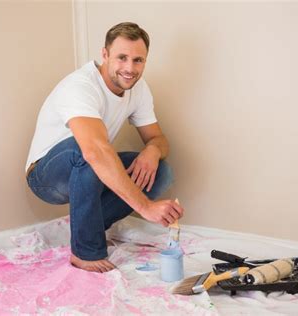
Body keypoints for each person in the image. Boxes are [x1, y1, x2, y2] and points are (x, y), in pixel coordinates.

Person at [25, 22, 184, 273]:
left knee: (161, 171)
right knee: (89, 150)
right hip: (46, 176)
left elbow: (159, 139)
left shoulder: (139, 89)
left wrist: (151, 152)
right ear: (105, 55)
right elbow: (94, 151)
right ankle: (85, 251)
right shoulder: (81, 86)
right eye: (122, 57)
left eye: (138, 60)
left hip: (88, 164)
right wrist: (146, 207)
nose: (130, 68)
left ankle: (89, 228)